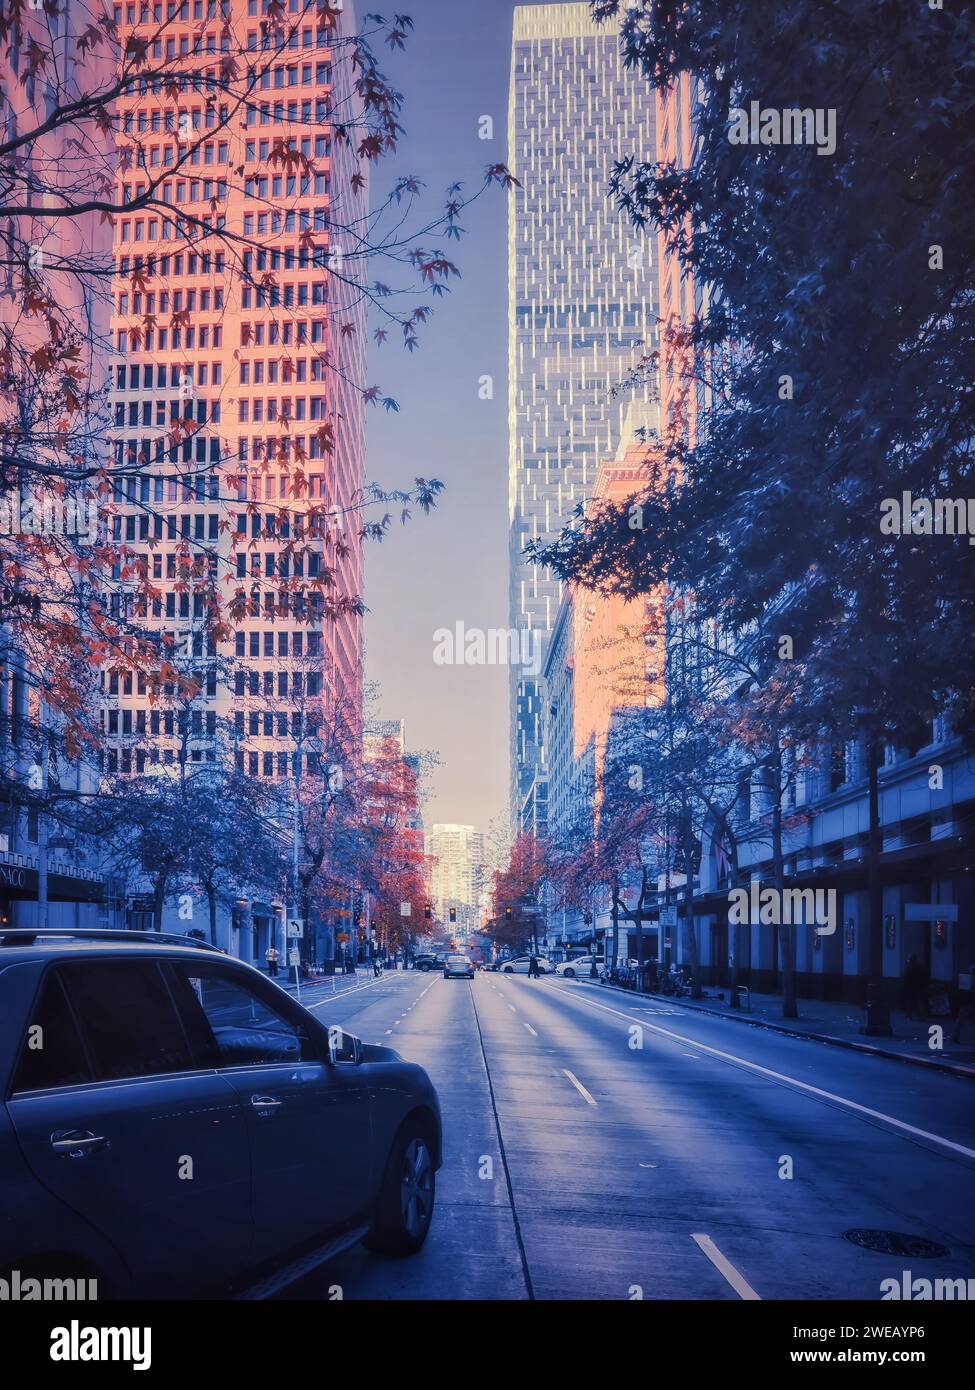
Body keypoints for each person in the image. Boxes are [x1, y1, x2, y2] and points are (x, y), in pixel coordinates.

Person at [952, 963, 975, 1044]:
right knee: (961, 1018)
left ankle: (955, 1035)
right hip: (969, 1000)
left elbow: (960, 989)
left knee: (961, 1019)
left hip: (966, 1001)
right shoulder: (969, 978)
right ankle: (955, 1035)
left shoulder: (965, 977)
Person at [902, 953, 928, 1020]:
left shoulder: (909, 968)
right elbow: (924, 977)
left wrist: (905, 986)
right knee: (920, 1002)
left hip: (911, 988)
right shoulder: (920, 968)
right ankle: (922, 1016)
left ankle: (908, 1015)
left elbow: (906, 978)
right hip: (919, 987)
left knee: (909, 1002)